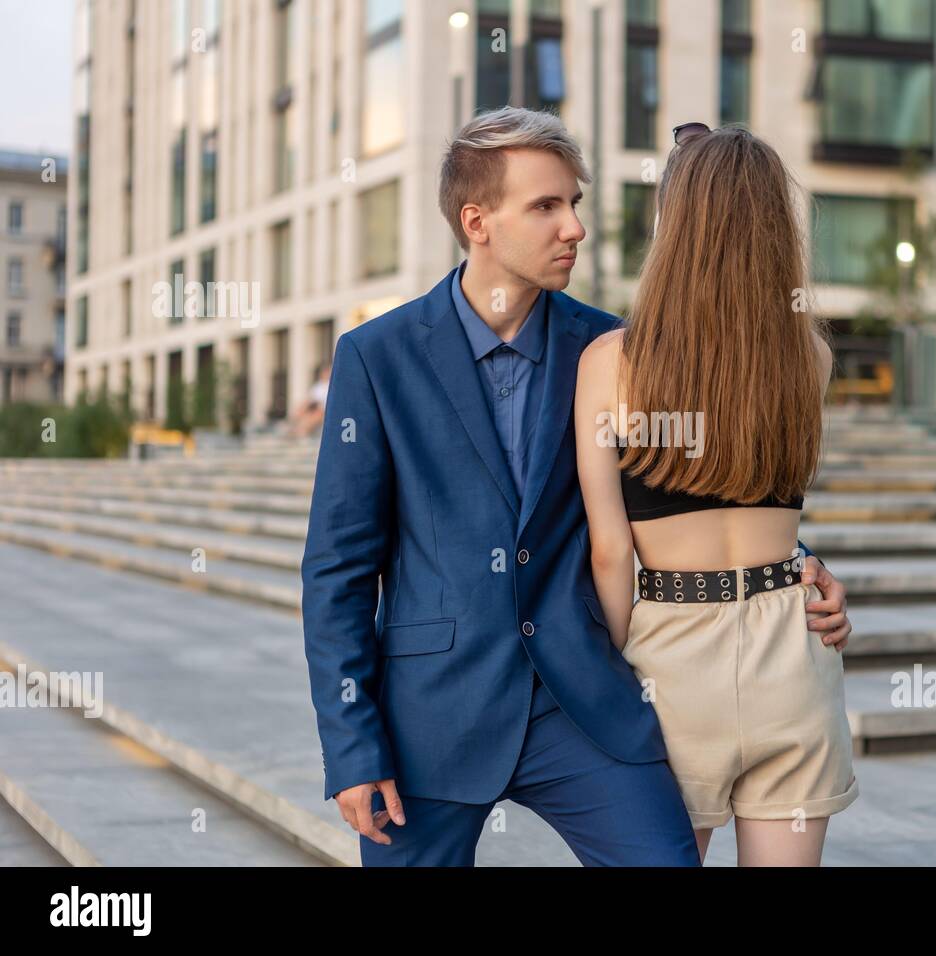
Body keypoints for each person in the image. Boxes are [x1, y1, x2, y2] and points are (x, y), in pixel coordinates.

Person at [301, 106, 851, 867]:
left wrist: (799, 561)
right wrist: (353, 745)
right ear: (477, 221)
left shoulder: (608, 347)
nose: (576, 229)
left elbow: (689, 480)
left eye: (576, 204)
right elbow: (338, 569)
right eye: (547, 206)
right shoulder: (377, 356)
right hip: (435, 713)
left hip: (583, 705)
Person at [574, 122, 858, 867]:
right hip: (791, 652)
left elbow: (610, 553)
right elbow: (755, 496)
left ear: (674, 225)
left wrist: (609, 670)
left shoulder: (611, 363)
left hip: (669, 659)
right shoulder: (812, 355)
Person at [290, 360, 331, 437]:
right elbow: (310, 399)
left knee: (315, 414)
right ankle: (296, 427)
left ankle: (300, 431)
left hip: (324, 411)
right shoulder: (318, 386)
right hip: (315, 409)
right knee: (304, 410)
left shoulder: (331, 385)